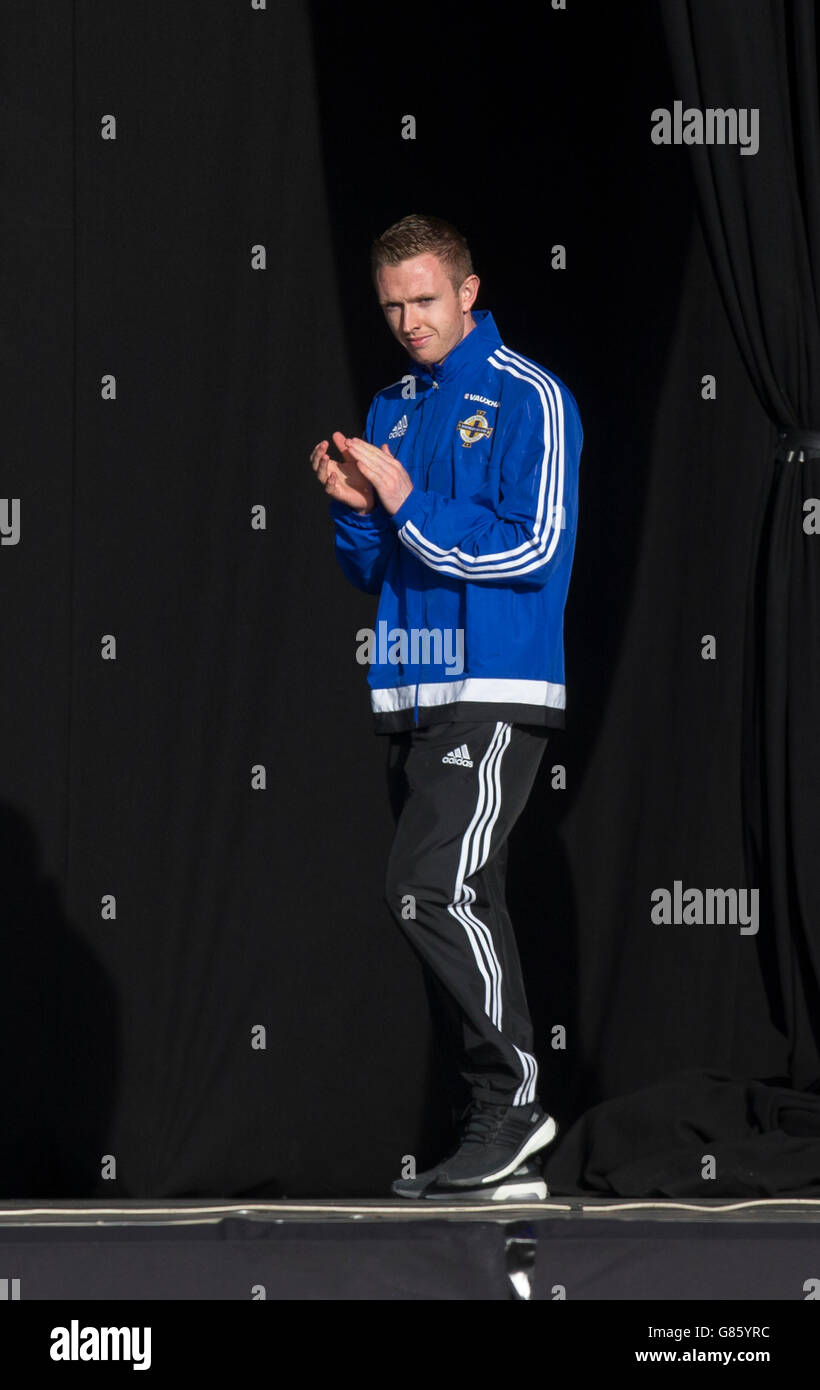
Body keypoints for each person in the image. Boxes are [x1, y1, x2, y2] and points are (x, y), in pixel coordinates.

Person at [310, 213, 583, 1195]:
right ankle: (496, 1137)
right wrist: (356, 508)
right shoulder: (392, 404)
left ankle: (514, 1107)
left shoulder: (531, 396)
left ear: (467, 291)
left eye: (424, 299)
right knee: (461, 901)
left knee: (431, 889)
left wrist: (407, 498)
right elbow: (378, 567)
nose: (408, 321)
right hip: (413, 689)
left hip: (497, 688)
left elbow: (531, 545)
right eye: (391, 306)